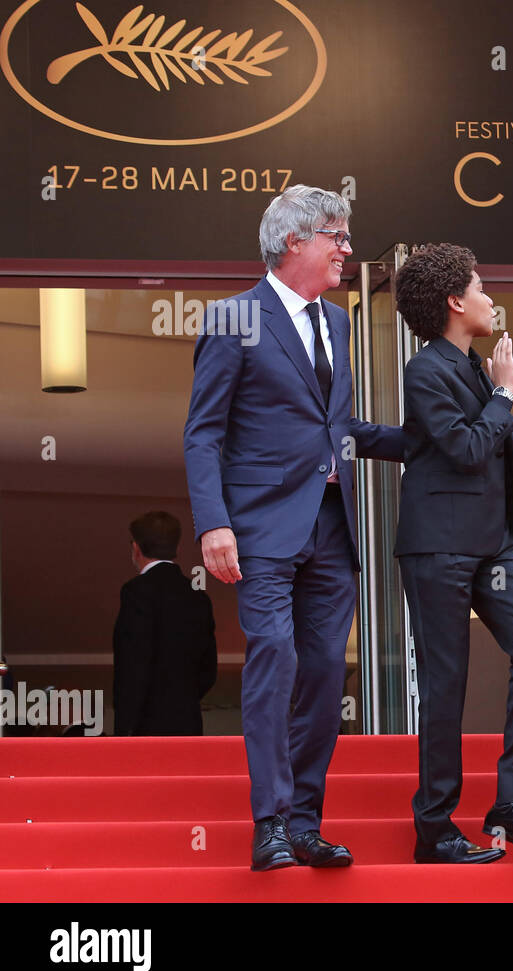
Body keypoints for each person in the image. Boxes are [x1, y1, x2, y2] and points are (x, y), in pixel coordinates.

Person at [183, 185, 406, 871]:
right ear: (293, 242)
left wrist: (440, 435)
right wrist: (213, 524)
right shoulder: (233, 320)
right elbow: (203, 435)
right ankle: (270, 824)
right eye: (336, 236)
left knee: (320, 678)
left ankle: (306, 822)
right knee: (274, 659)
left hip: (332, 530)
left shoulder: (337, 324)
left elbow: (337, 430)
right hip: (260, 528)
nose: (346, 248)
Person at [393, 243, 513, 865]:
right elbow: (466, 450)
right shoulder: (427, 370)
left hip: (491, 547)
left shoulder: (470, 369)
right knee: (447, 684)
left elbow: (496, 460)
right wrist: (503, 395)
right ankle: (434, 827)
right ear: (455, 302)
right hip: (437, 548)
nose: (493, 298)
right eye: (482, 287)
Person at [112, 511, 217, 736]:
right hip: (188, 722)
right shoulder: (198, 596)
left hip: (145, 726)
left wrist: (124, 728)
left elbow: (132, 664)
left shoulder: (136, 592)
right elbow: (209, 670)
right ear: (176, 549)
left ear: (136, 548)